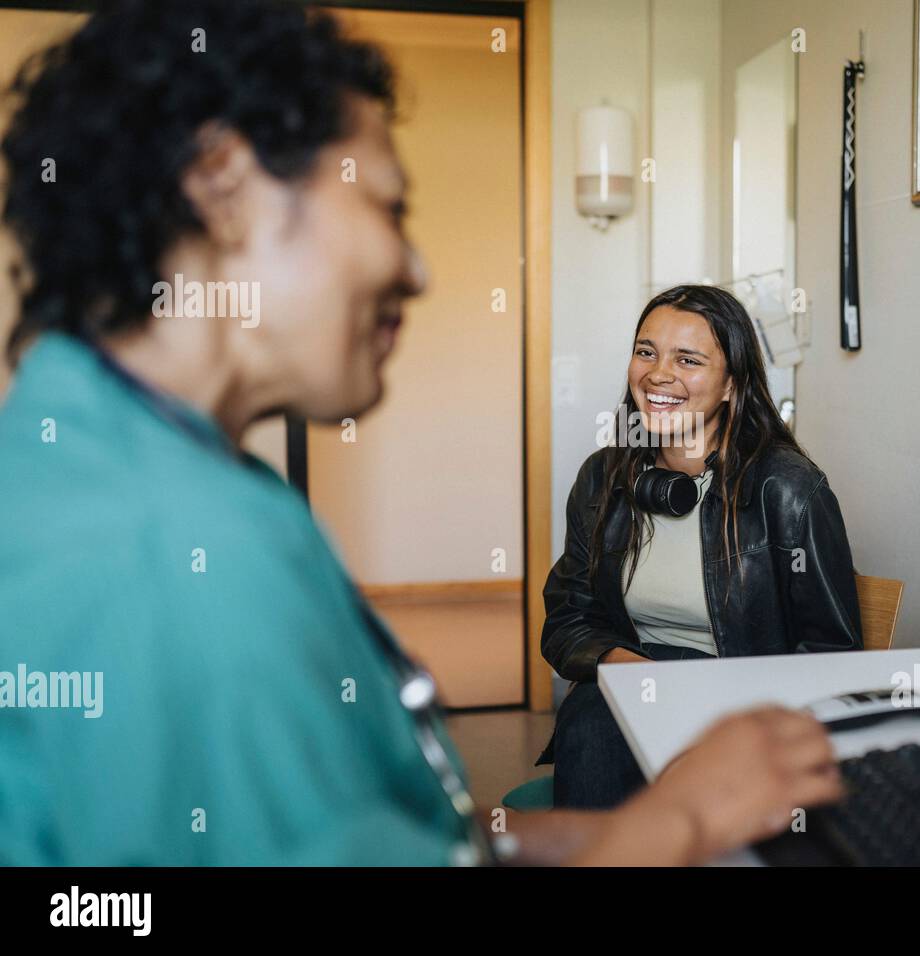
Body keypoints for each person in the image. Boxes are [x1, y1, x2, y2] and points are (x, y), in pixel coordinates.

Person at [0, 0, 842, 866]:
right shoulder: (165, 548)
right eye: (389, 209)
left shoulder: (108, 468)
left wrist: (615, 828)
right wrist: (683, 821)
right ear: (226, 187)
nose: (416, 267)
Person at [540, 285, 862, 809]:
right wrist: (634, 674)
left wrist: (722, 706)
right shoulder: (603, 478)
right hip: (633, 687)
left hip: (745, 703)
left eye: (687, 360)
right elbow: (567, 621)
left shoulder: (788, 490)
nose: (658, 374)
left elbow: (832, 653)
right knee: (593, 721)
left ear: (732, 383)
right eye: (646, 352)